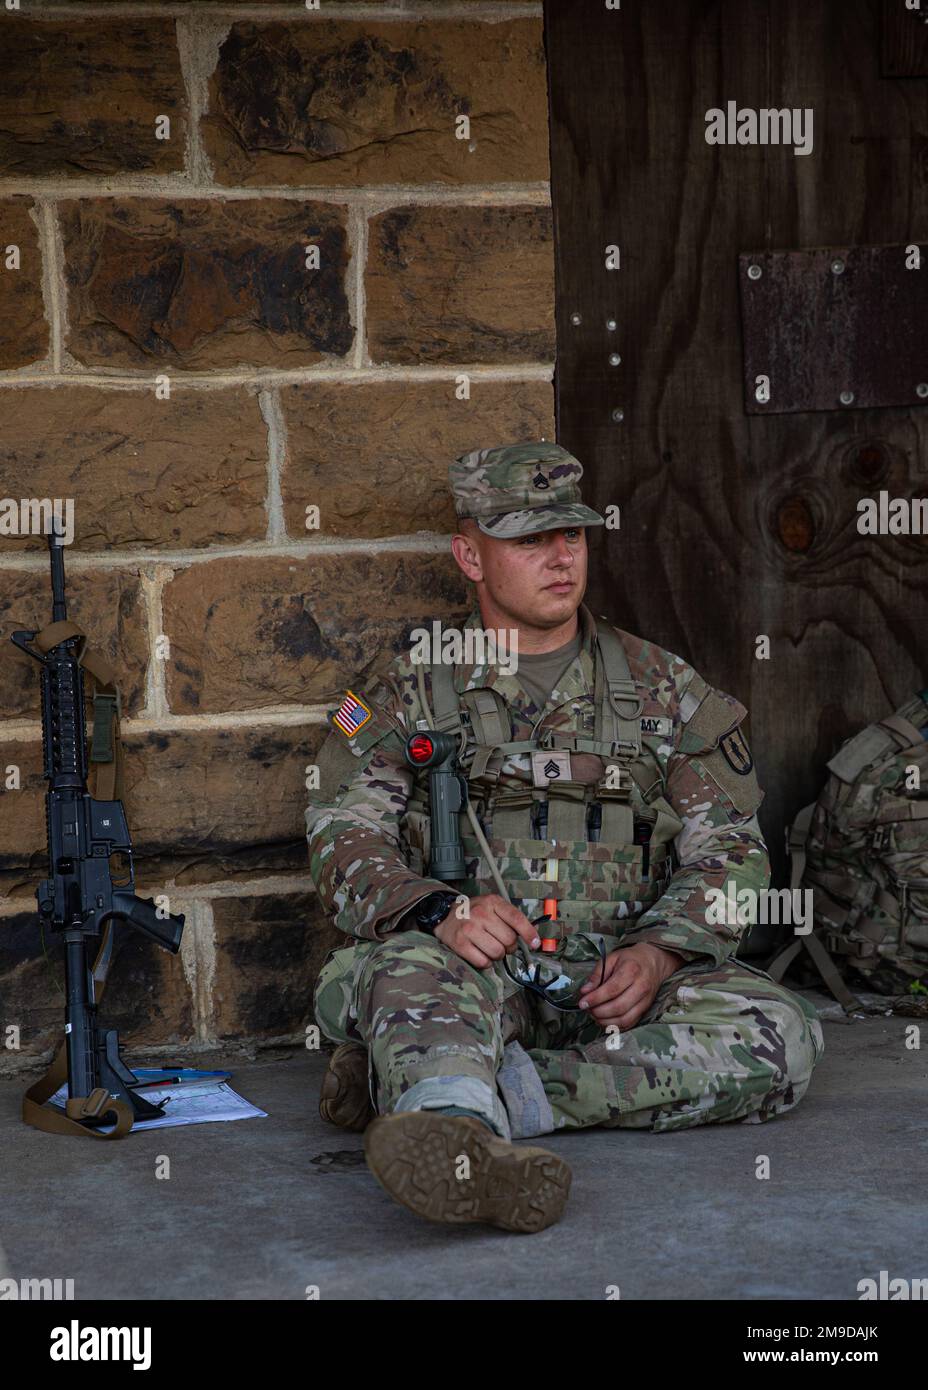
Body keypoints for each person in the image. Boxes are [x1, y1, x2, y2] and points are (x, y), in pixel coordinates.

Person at [306, 442, 824, 1233]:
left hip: (618, 984)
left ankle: (495, 1106)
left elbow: (733, 850)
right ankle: (451, 1117)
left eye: (572, 537)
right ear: (469, 556)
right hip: (472, 971)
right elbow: (342, 833)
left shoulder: (664, 688)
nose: (559, 559)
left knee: (778, 1033)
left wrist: (662, 951)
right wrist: (439, 909)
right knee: (405, 976)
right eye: (528, 540)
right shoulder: (408, 688)